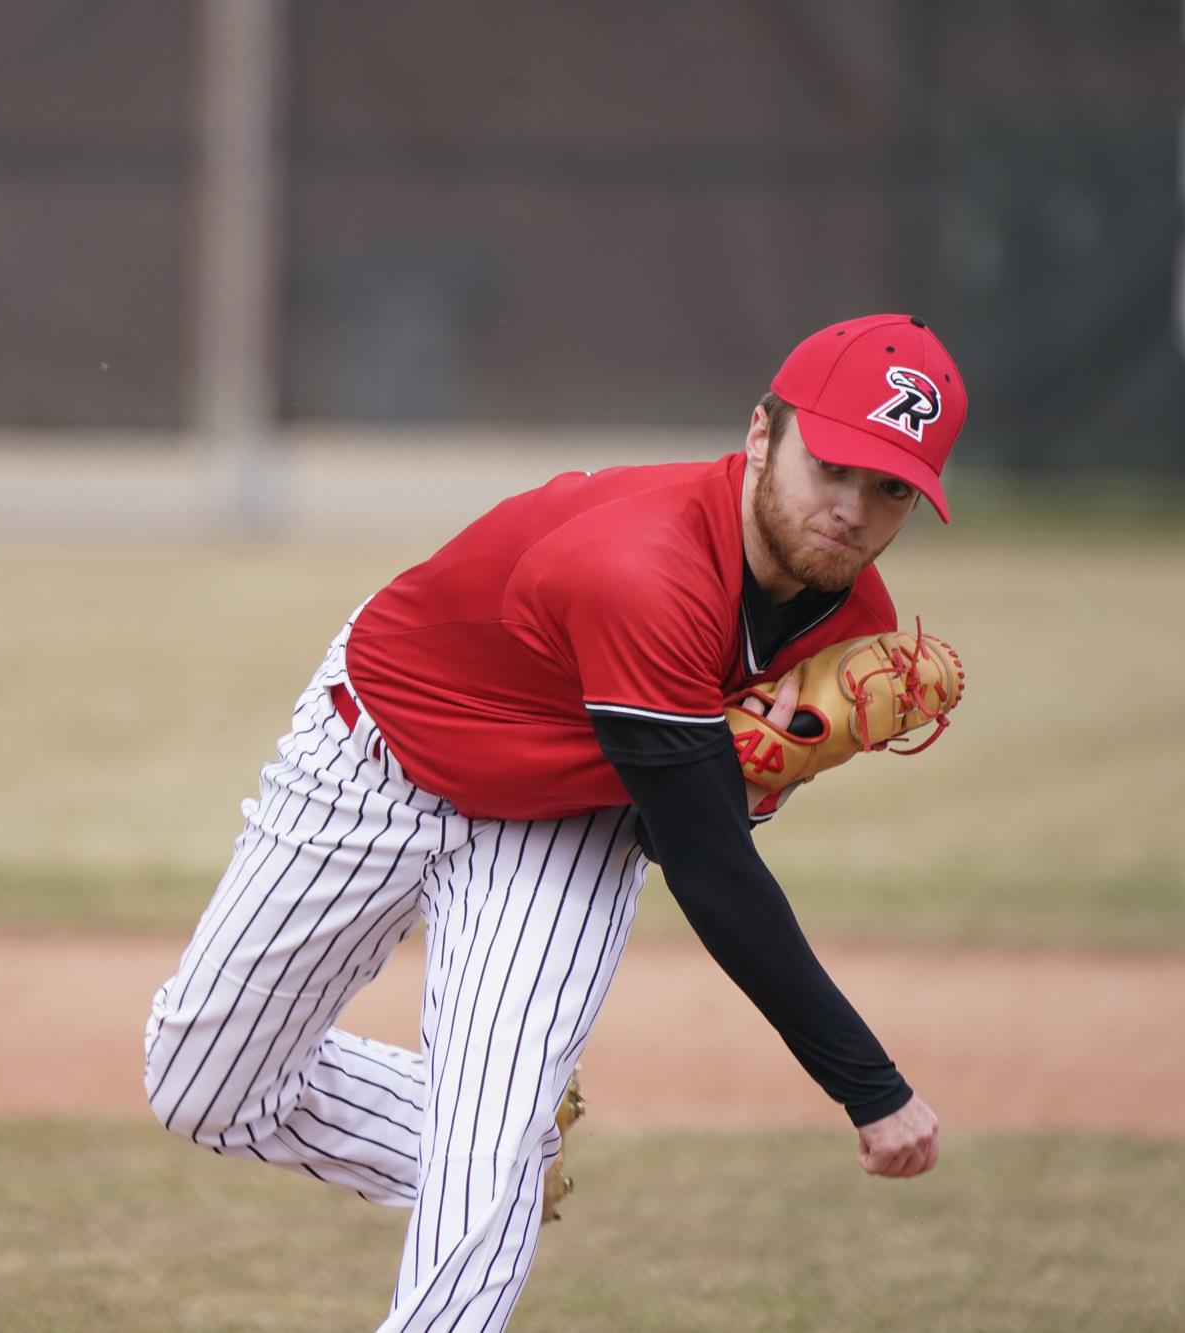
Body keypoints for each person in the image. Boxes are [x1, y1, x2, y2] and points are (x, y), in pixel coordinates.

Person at [143, 313, 965, 1332]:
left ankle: (493, 1138)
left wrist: (756, 779)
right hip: (381, 753)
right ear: (761, 435)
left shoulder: (853, 625)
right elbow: (710, 869)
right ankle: (505, 1138)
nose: (850, 510)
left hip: (566, 825)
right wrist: (869, 1085)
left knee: (480, 1149)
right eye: (831, 465)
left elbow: (699, 813)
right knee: (200, 1087)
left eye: (889, 488)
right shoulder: (644, 565)